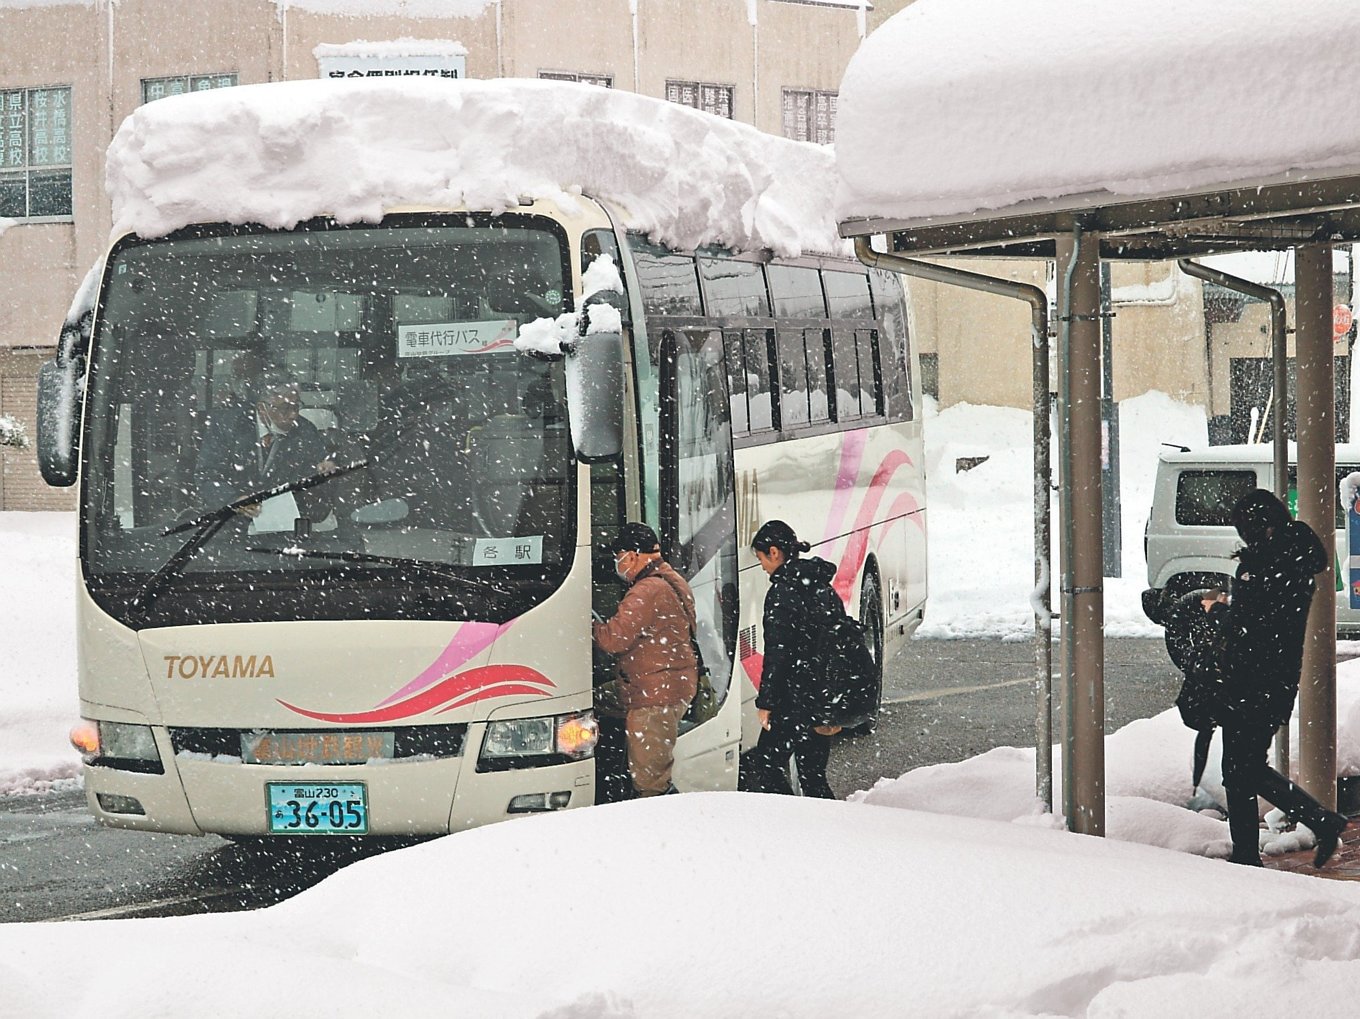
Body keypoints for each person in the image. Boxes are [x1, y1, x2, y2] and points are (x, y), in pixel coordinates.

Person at [1219, 488, 1350, 868]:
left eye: (1243, 525)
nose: (1241, 534)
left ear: (1260, 525)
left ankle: (1322, 821)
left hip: (1254, 679)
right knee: (1240, 766)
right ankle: (1248, 853)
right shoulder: (1289, 558)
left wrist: (1222, 621)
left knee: (1243, 767)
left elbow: (1255, 624)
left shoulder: (1271, 563)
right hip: (1270, 678)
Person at [592, 523, 698, 797]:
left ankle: (666, 830)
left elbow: (613, 639)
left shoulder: (646, 591)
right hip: (670, 685)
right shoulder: (672, 579)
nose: (618, 564)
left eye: (619, 557)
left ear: (633, 555)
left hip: (654, 697)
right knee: (598, 700)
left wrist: (590, 624)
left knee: (651, 784)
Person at [740, 519, 841, 799]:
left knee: (766, 765)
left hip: (794, 698)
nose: (762, 566)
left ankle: (789, 823)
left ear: (774, 552)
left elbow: (778, 653)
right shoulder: (823, 587)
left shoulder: (783, 592)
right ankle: (829, 828)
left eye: (761, 558)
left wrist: (767, 703)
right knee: (813, 775)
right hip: (822, 696)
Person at [193, 367, 333, 519]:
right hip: (230, 524)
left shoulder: (305, 431)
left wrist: (324, 473)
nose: (293, 415)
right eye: (285, 408)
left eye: (296, 406)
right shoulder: (227, 426)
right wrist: (233, 500)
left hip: (283, 524)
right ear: (262, 408)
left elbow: (317, 475)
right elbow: (207, 475)